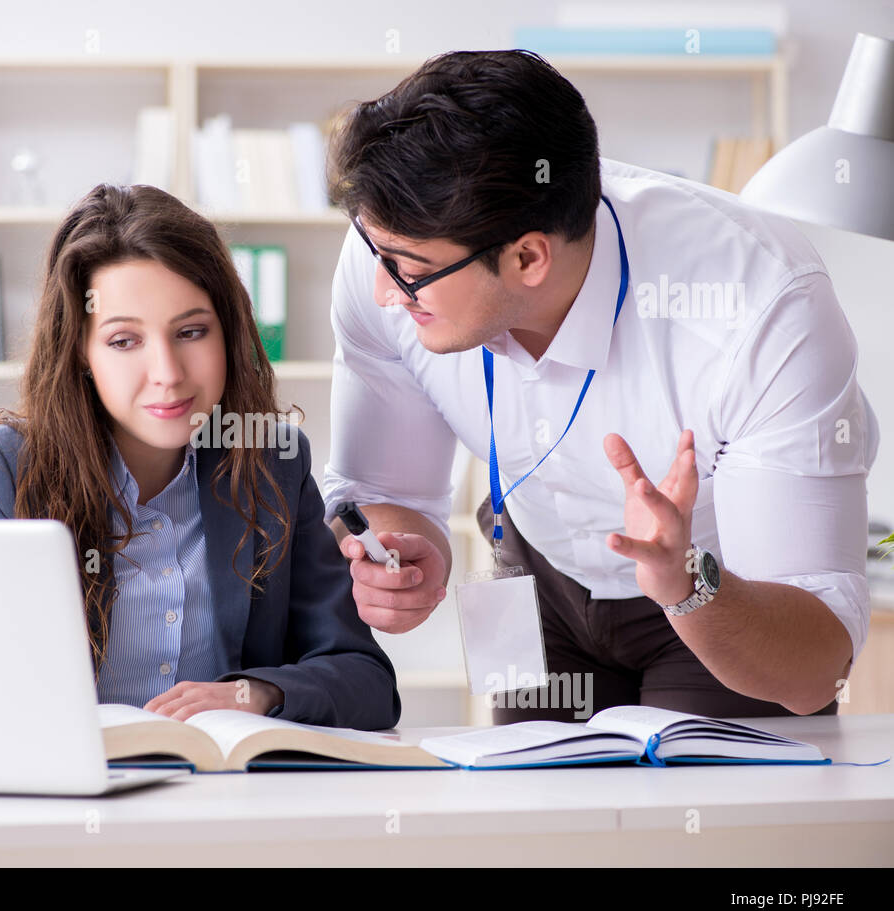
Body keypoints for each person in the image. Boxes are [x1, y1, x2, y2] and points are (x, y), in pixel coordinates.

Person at [322, 50, 879, 722]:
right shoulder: (392, 247)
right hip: (538, 570)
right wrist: (407, 558)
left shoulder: (759, 306)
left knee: (701, 818)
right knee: (543, 821)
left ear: (528, 257)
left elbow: (815, 668)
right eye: (375, 254)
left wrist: (686, 585)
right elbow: (389, 495)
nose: (383, 291)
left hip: (718, 584)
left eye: (407, 271)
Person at [0, 182, 400, 730]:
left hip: (228, 797)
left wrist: (251, 694)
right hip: (73, 798)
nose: (167, 373)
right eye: (123, 341)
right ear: (81, 353)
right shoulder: (0, 472)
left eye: (191, 332)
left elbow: (365, 681)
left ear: (227, 335)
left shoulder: (271, 463)